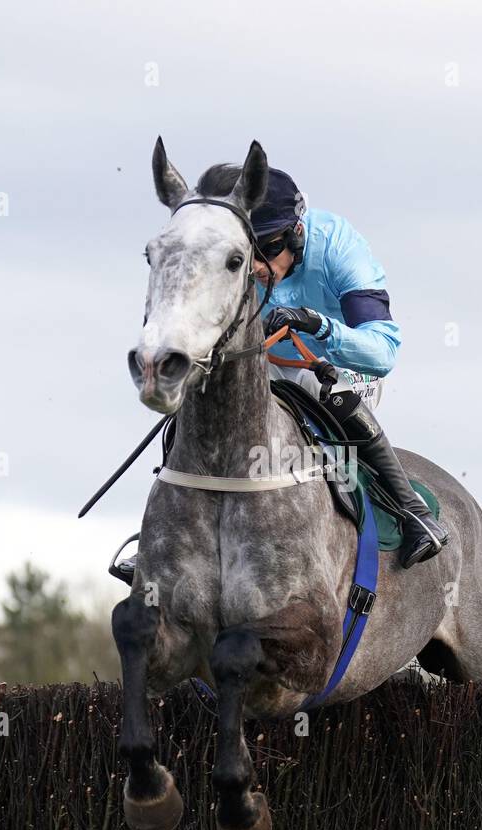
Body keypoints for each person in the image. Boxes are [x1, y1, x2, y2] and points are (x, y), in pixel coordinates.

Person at [110, 165, 449, 585]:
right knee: (204, 403)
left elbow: (382, 351)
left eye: (267, 249)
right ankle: (161, 538)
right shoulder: (237, 255)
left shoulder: (338, 248)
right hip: (259, 361)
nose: (255, 266)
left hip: (335, 363)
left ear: (296, 235)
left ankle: (411, 510)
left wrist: (317, 325)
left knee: (312, 387)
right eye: (249, 251)